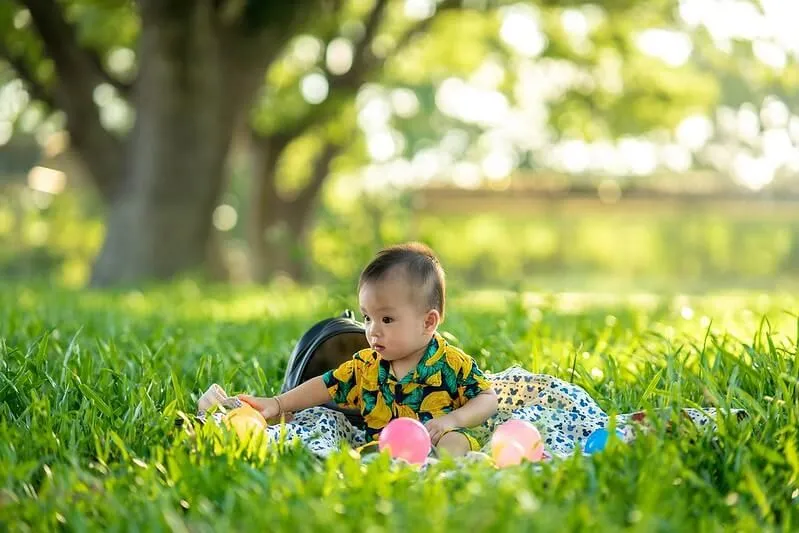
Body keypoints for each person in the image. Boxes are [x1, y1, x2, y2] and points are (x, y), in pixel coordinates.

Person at [239, 242, 498, 457]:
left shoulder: (451, 363)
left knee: (454, 443)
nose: (372, 330)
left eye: (386, 319)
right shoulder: (366, 366)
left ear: (428, 322)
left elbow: (487, 398)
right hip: (384, 446)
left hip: (437, 438)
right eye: (367, 318)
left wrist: (453, 421)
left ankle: (444, 472)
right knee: (367, 451)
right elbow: (325, 385)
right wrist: (277, 403)